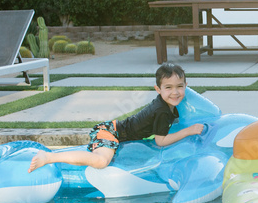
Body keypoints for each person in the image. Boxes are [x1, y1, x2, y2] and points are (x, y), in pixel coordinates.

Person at [28, 62, 204, 172]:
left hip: (114, 131)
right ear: (158, 89)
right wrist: (189, 131)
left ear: (186, 86)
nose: (175, 92)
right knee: (101, 161)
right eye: (168, 87)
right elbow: (161, 141)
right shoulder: (162, 111)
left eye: (179, 86)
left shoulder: (167, 105)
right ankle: (48, 157)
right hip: (111, 133)